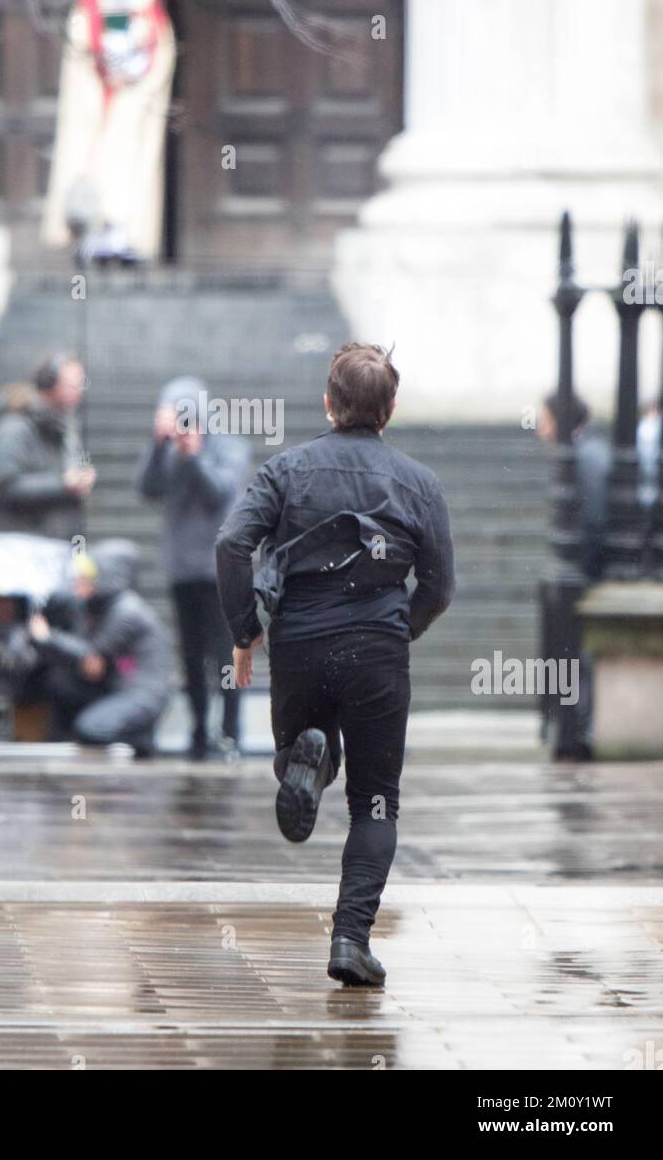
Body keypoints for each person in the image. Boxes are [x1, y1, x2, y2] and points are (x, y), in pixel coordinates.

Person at [216, 343, 455, 987]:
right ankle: (350, 939)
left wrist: (246, 632)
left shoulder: (287, 471)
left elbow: (231, 543)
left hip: (299, 639)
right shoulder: (420, 483)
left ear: (328, 402)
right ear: (391, 410)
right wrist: (402, 625)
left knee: (295, 747)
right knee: (376, 803)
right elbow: (438, 586)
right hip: (377, 645)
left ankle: (311, 757)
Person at [137, 376, 250, 760]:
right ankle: (199, 731)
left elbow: (220, 493)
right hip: (183, 568)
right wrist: (158, 445)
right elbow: (148, 489)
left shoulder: (229, 447)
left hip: (221, 567)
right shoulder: (167, 450)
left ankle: (231, 732)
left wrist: (194, 456)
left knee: (226, 655)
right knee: (191, 656)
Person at [41, 0, 175, 261]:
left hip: (130, 99)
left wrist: (135, 73)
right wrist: (105, 70)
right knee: (93, 165)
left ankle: (122, 236)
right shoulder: (92, 5)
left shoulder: (144, 4)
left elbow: (155, 45)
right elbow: (86, 44)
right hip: (100, 98)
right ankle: (91, 235)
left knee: (126, 167)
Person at [23, 540, 172, 754]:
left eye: (87, 578)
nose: (80, 583)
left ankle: (141, 739)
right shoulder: (97, 607)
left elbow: (91, 656)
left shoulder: (127, 612)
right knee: (59, 683)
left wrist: (48, 637)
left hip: (141, 693)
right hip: (116, 685)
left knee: (92, 729)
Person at [536, 390, 611, 760]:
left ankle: (580, 733)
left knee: (582, 657)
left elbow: (595, 521)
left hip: (589, 575)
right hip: (585, 573)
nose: (539, 427)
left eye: (545, 418)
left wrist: (583, 571)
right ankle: (576, 729)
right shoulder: (585, 453)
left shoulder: (586, 456)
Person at [0, 355, 95, 540]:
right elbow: (5, 486)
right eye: (74, 382)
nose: (79, 389)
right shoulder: (13, 428)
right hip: (19, 548)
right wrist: (63, 484)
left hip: (51, 548)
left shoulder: (61, 429)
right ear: (50, 382)